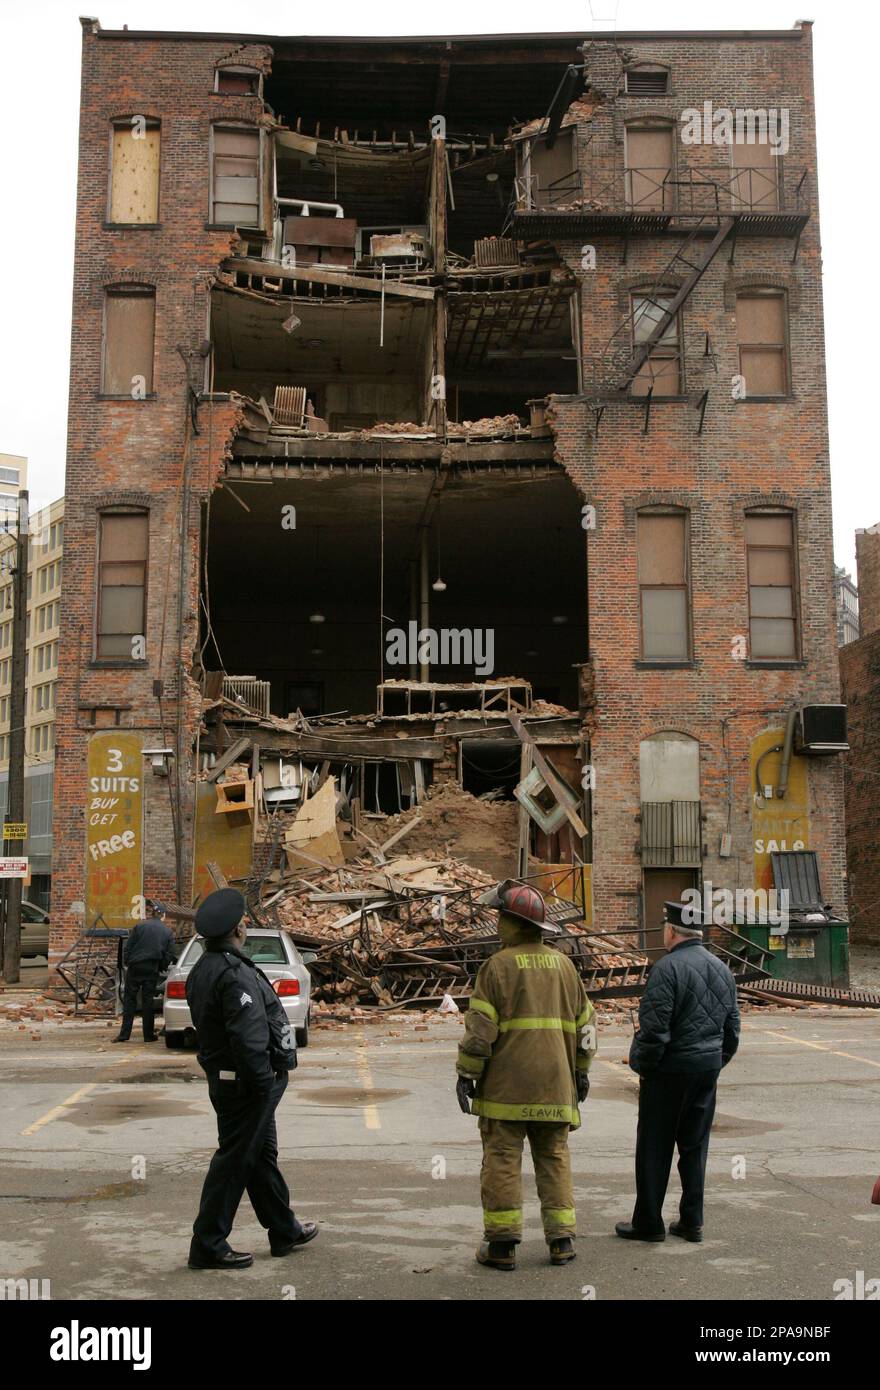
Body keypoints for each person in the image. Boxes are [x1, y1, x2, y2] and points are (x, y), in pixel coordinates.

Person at [456, 879, 597, 1271]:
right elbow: (587, 1027)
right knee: (554, 1158)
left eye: (501, 917)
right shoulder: (565, 967)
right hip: (555, 1087)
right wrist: (581, 1072)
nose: (497, 924)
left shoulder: (496, 967)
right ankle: (561, 1241)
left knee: (502, 1158)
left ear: (516, 923)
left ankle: (501, 1247)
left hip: (506, 1090)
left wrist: (467, 1073)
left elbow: (480, 1030)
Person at [185, 887, 317, 1271]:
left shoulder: (204, 968)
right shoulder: (232, 973)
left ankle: (283, 1229)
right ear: (237, 928)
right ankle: (207, 1243)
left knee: (259, 1156)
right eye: (243, 921)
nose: (245, 924)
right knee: (235, 1160)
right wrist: (263, 1082)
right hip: (246, 1084)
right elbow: (248, 1037)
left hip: (231, 1079)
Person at [615, 899, 740, 1244]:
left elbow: (654, 1031)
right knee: (695, 1146)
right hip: (706, 1069)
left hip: (669, 1072)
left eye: (663, 929)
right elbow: (732, 1028)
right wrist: (715, 1060)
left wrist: (645, 1066)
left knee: (654, 1146)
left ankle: (649, 1222)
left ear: (671, 930)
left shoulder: (666, 969)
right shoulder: (722, 968)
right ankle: (692, 1221)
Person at [113, 901, 176, 1043]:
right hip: (152, 967)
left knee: (130, 1000)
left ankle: (124, 1035)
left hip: (135, 967)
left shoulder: (140, 926)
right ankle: (148, 1035)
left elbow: (128, 947)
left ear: (151, 913)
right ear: (163, 915)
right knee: (148, 1001)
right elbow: (169, 953)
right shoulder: (167, 932)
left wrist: (127, 962)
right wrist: (161, 966)